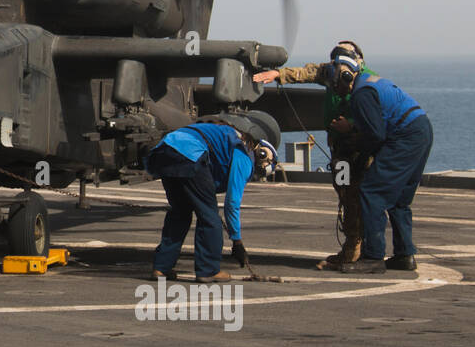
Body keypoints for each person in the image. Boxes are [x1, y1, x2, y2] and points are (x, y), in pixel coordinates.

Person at [254, 39, 372, 270]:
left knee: (361, 197)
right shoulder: (331, 73)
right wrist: (278, 75)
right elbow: (306, 72)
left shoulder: (366, 82)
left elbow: (375, 112)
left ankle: (361, 249)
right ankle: (352, 246)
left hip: (360, 148)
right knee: (344, 195)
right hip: (340, 150)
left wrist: (351, 124)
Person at [327, 55, 433, 273]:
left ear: (346, 77)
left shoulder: (360, 95)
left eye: (335, 84)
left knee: (371, 192)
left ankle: (373, 258)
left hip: (405, 136)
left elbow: (375, 136)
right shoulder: (369, 81)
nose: (335, 90)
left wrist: (359, 156)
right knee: (399, 198)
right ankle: (404, 255)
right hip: (421, 129)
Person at [146, 119, 277, 282]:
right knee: (209, 217)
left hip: (165, 151)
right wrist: (237, 241)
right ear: (262, 157)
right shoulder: (246, 155)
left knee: (180, 213)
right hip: (190, 153)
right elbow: (232, 203)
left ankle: (161, 268)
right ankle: (208, 269)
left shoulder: (232, 138)